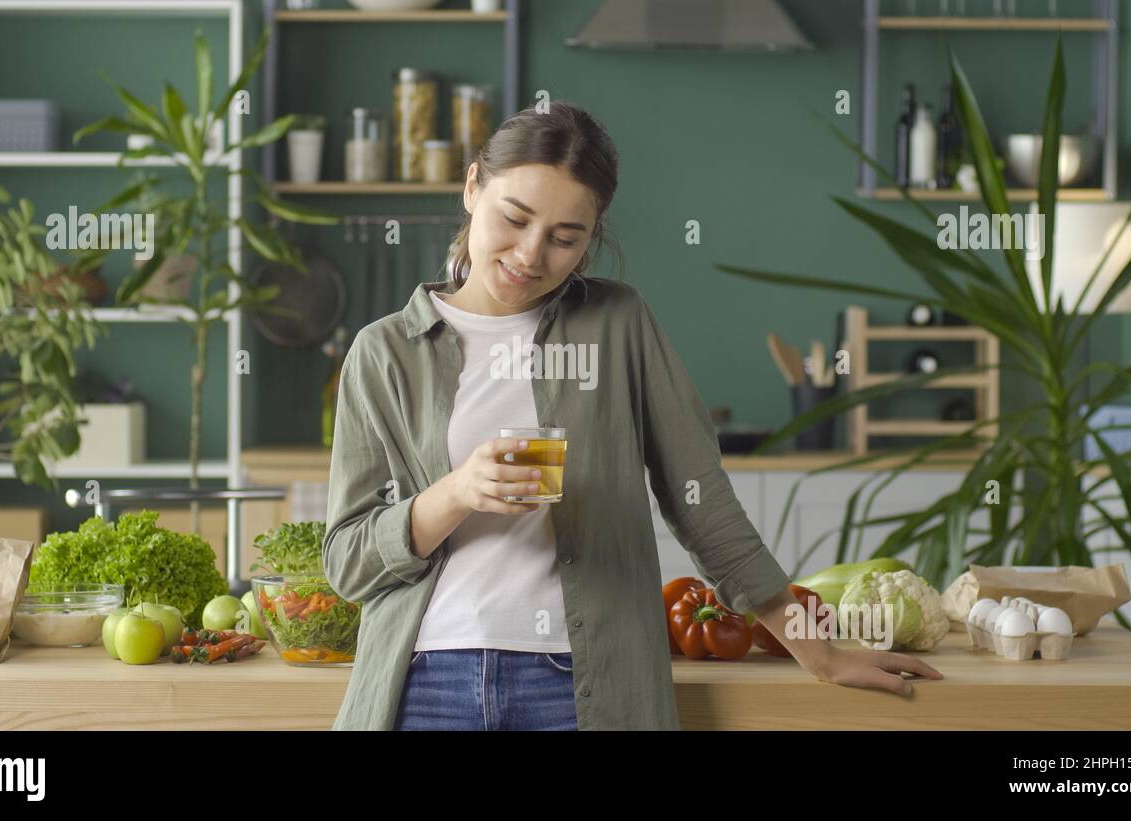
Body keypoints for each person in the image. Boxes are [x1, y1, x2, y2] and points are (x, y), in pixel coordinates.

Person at [322, 101, 943, 731]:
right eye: (514, 219)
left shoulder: (616, 323)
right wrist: (456, 493)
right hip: (427, 680)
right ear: (473, 185)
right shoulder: (385, 351)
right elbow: (348, 561)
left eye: (566, 238)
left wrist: (816, 647)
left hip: (581, 682)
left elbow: (702, 502)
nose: (531, 255)